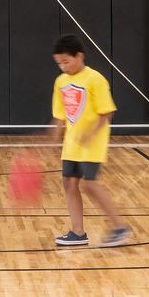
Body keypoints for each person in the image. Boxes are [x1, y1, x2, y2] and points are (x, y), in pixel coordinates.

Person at [51, 36, 132, 247]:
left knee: (90, 185)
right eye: (59, 63)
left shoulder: (95, 79)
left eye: (66, 62)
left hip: (92, 143)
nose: (62, 67)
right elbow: (61, 115)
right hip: (72, 143)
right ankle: (78, 233)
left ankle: (119, 227)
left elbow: (107, 112)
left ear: (80, 56)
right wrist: (53, 137)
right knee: (69, 183)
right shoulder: (61, 82)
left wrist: (90, 133)